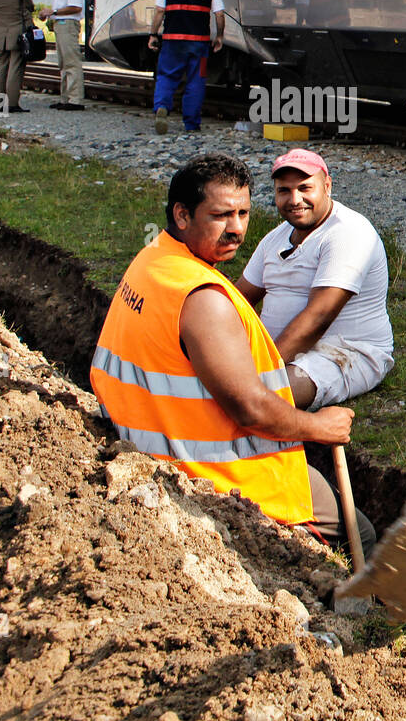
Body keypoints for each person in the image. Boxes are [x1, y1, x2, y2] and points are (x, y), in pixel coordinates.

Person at [90, 154, 375, 556]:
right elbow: (251, 410)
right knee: (359, 534)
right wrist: (318, 427)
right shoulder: (203, 298)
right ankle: (353, 613)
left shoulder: (154, 259)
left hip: (146, 434)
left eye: (243, 213)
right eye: (222, 215)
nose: (237, 229)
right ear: (182, 215)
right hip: (214, 465)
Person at [235, 150, 393, 411]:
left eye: (305, 188)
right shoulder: (277, 237)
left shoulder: (348, 232)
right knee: (217, 379)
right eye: (284, 190)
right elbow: (239, 299)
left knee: (267, 394)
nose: (295, 199)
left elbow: (319, 316)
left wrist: (264, 369)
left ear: (327, 186)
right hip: (279, 353)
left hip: (343, 354)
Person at [147, 0, 224, 133]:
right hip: (200, 44)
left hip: (173, 42)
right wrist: (219, 36)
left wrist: (153, 34)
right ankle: (191, 124)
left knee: (166, 75)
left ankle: (162, 107)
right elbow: (219, 14)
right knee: (197, 80)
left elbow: (159, 11)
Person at [38, 0, 85, 110]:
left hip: (68, 24)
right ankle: (66, 97)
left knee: (71, 61)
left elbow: (76, 6)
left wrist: (54, 12)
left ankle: (75, 99)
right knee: (63, 62)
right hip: (60, 23)